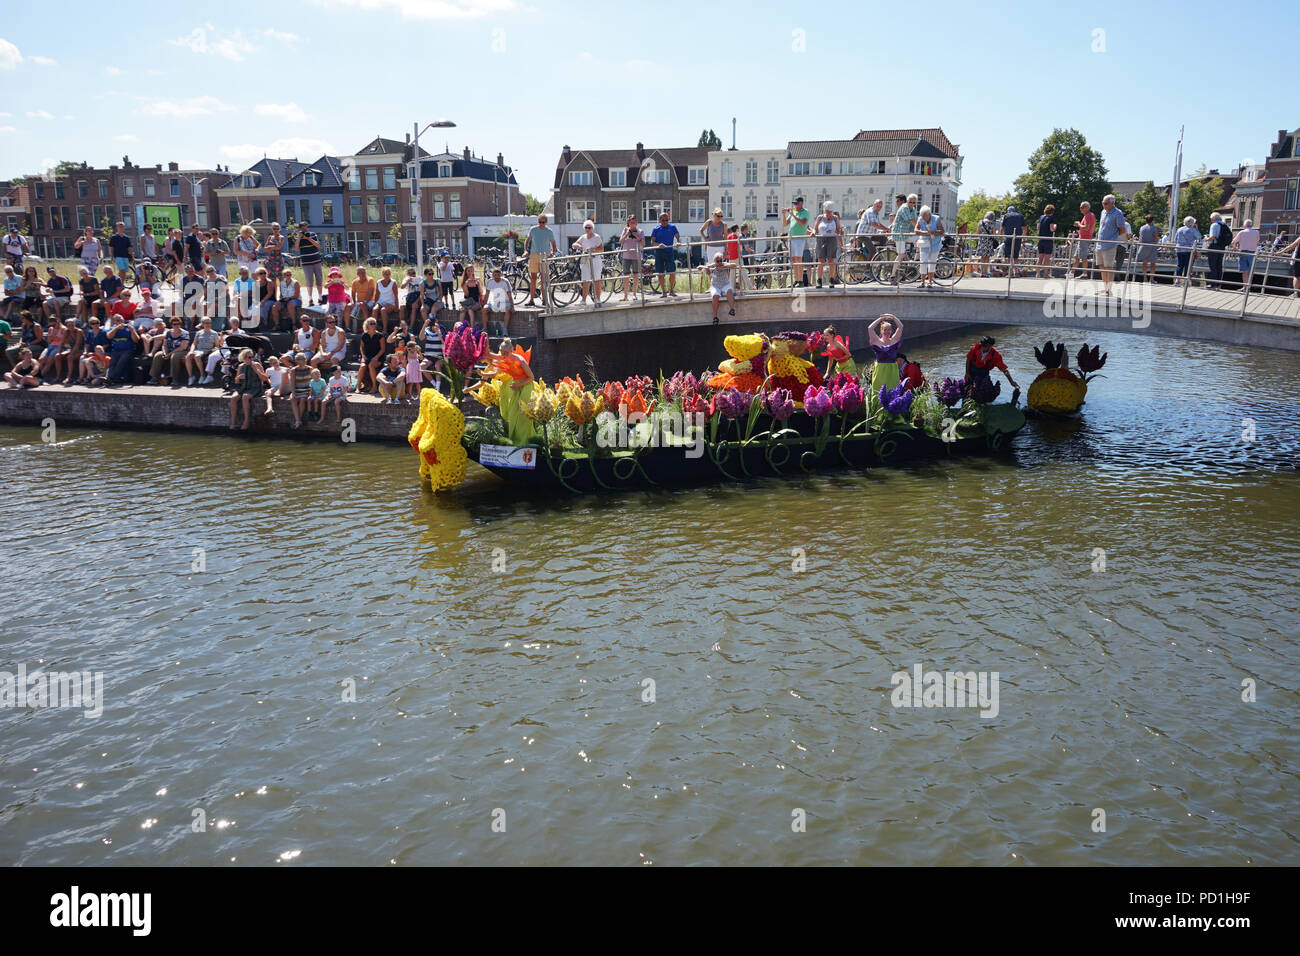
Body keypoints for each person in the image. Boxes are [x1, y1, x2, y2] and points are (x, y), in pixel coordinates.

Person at [1095, 194, 1129, 295]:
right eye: (1103, 203)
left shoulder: (1118, 213)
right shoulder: (1103, 212)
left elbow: (1122, 230)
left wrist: (1112, 237)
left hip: (1110, 245)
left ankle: (1108, 290)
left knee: (1109, 267)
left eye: (1105, 203)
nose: (1103, 205)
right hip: (1100, 244)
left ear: (1112, 203)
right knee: (1101, 266)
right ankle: (1105, 288)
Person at [229, 348, 270, 430]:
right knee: (233, 398)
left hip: (255, 387)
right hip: (244, 387)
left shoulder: (257, 365)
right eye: (249, 357)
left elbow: (265, 379)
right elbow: (236, 382)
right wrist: (238, 378)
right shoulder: (241, 366)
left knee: (245, 397)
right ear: (244, 358)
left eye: (252, 357)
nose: (251, 359)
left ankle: (246, 421)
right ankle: (233, 422)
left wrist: (257, 371)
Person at [868, 313, 904, 399]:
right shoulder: (876, 341)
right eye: (885, 329)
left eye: (889, 330)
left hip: (892, 371)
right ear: (881, 331)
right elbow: (870, 328)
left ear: (891, 331)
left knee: (893, 391)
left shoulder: (894, 340)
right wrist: (881, 319)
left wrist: (893, 317)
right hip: (880, 370)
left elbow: (901, 327)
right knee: (878, 391)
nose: (887, 332)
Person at [524, 213, 557, 305]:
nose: (541, 224)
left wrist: (552, 254)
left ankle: (544, 299)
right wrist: (526, 251)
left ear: (546, 222)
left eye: (543, 222)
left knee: (543, 279)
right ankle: (531, 300)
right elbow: (527, 241)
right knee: (533, 278)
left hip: (545, 255)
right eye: (539, 222)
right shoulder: (533, 230)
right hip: (534, 255)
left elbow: (553, 244)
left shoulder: (549, 231)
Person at [148, 317, 191, 387]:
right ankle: (154, 377)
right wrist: (165, 353)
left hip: (183, 351)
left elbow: (183, 347)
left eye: (178, 324)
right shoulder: (168, 332)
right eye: (174, 324)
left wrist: (169, 354)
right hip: (169, 351)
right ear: (171, 325)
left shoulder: (185, 333)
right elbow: (164, 345)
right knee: (158, 355)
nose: (177, 325)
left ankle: (174, 379)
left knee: (174, 356)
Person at [571, 220, 604, 307]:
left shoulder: (597, 237)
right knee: (585, 280)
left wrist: (592, 250)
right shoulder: (583, 237)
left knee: (597, 280)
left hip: (595, 260)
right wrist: (577, 245)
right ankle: (583, 300)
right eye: (586, 227)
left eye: (589, 227)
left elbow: (601, 249)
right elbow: (574, 244)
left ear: (592, 228)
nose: (587, 229)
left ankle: (598, 299)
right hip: (585, 260)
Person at [782, 196, 811, 288]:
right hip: (792, 238)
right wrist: (784, 214)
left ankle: (801, 280)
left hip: (799, 238)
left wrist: (793, 214)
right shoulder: (793, 211)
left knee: (799, 259)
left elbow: (803, 223)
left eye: (797, 203)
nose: (795, 205)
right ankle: (796, 280)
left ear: (801, 203)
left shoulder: (805, 212)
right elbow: (785, 224)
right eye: (794, 203)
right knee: (794, 260)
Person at [105, 311, 140, 385]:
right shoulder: (113, 328)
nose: (120, 322)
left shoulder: (130, 328)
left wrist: (132, 331)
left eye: (121, 320)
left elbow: (136, 340)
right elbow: (109, 336)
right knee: (112, 363)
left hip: (128, 350)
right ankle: (111, 378)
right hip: (116, 350)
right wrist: (116, 328)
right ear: (114, 322)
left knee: (121, 361)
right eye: (118, 320)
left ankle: (113, 378)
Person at [913, 206, 944, 288]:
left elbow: (942, 231)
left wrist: (934, 232)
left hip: (935, 243)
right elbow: (916, 230)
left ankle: (930, 282)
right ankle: (922, 282)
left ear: (929, 214)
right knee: (923, 262)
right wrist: (923, 232)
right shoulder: (920, 219)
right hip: (924, 243)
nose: (923, 218)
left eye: (924, 216)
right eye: (922, 216)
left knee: (932, 263)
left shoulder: (936, 219)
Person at [650, 212, 679, 297]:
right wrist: (658, 245)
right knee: (660, 273)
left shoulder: (672, 227)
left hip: (669, 252)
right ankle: (663, 292)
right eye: (663, 220)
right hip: (659, 253)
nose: (665, 222)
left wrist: (678, 242)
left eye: (667, 220)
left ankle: (671, 290)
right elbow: (652, 242)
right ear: (659, 220)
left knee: (672, 272)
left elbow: (678, 237)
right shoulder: (656, 229)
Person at [186, 316, 222, 386]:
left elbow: (217, 346)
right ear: (202, 324)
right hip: (198, 350)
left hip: (207, 351)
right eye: (206, 323)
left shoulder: (214, 333)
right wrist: (191, 351)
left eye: (209, 323)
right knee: (188, 356)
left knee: (197, 356)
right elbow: (194, 343)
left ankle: (202, 375)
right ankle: (191, 377)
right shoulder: (198, 333)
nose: (208, 324)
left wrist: (209, 351)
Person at [701, 252, 735, 324]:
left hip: (725, 284)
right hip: (715, 286)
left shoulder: (725, 264)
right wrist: (706, 267)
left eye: (720, 260)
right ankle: (715, 317)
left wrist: (724, 267)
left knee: (729, 290)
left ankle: (732, 309)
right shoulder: (712, 266)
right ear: (715, 261)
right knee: (716, 296)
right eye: (718, 261)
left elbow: (734, 265)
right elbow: (699, 268)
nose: (719, 262)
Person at [813, 201, 841, 288]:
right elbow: (815, 229)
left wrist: (839, 232)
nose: (829, 213)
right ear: (824, 210)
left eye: (830, 211)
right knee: (821, 260)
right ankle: (819, 280)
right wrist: (813, 233)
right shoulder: (820, 217)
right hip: (821, 239)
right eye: (827, 211)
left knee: (831, 260)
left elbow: (838, 229)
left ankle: (831, 280)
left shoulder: (835, 218)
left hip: (832, 239)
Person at [295, 221, 323, 304]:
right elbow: (296, 249)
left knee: (319, 279)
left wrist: (308, 238)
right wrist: (299, 238)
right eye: (303, 228)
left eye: (306, 227)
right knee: (309, 281)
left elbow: (318, 246)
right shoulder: (298, 237)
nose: (305, 229)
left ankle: (320, 297)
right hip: (306, 262)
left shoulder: (313, 234)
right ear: (300, 229)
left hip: (316, 260)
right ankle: (310, 299)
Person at [419, 308, 445, 393]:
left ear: (437, 320)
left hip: (439, 356)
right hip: (429, 355)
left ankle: (438, 387)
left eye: (434, 320)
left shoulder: (441, 329)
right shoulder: (427, 329)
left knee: (438, 366)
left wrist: (438, 333)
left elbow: (445, 343)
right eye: (431, 321)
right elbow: (421, 338)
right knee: (422, 366)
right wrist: (424, 325)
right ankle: (433, 384)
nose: (433, 322)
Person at [357, 316, 385, 393]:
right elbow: (361, 347)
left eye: (374, 323)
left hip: (378, 357)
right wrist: (363, 356)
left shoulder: (380, 335)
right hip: (367, 356)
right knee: (362, 366)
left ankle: (374, 387)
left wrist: (376, 357)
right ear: (367, 325)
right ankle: (358, 386)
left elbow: (383, 349)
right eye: (371, 323)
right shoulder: (364, 335)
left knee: (371, 365)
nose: (373, 325)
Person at [618, 215, 644, 300]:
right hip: (626, 256)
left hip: (636, 256)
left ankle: (634, 294)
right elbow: (621, 241)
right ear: (628, 223)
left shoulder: (640, 231)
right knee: (626, 276)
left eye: (634, 222)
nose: (632, 224)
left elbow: (643, 244)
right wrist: (626, 235)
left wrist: (637, 236)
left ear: (636, 223)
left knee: (636, 275)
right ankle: (625, 296)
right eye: (631, 222)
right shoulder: (625, 230)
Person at [1231, 219, 1260, 293]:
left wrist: (1236, 249)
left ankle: (1245, 287)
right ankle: (1249, 286)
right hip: (1252, 253)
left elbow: (1233, 242)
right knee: (1251, 271)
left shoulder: (1242, 232)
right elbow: (1258, 243)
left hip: (1243, 252)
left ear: (1245, 225)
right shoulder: (1256, 232)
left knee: (1245, 271)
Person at [1173, 216, 1201, 287]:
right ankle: (1185, 281)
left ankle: (1177, 280)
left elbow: (1175, 239)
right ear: (1192, 223)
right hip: (1188, 250)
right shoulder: (1192, 230)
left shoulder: (1179, 229)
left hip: (1179, 249)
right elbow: (1199, 237)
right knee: (1187, 265)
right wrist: (1197, 229)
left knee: (1180, 265)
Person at [1205, 212, 1231, 290]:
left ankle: (1213, 284)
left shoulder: (1214, 225)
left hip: (1214, 246)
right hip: (1222, 247)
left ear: (1213, 218)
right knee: (1219, 266)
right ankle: (1218, 284)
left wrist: (1206, 238)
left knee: (1213, 266)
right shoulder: (1225, 225)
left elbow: (1213, 237)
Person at [1071, 201, 1095, 279]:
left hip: (1084, 239)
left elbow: (1086, 227)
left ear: (1087, 208)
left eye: (1082, 207)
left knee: (1083, 257)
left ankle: (1084, 274)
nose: (1080, 209)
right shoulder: (1089, 215)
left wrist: (1078, 224)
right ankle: (1071, 273)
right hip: (1083, 238)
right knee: (1076, 257)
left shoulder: (1088, 215)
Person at [288, 351, 313, 426]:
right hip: (297, 389)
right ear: (297, 361)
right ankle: (298, 420)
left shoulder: (310, 369)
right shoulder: (293, 370)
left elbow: (312, 382)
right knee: (292, 399)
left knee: (302, 399)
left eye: (305, 358)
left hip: (307, 389)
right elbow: (292, 383)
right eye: (302, 359)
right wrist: (293, 392)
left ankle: (298, 419)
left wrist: (310, 392)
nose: (305, 360)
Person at [484, 266, 513, 332]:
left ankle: (505, 329)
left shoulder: (505, 281)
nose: (496, 277)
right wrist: (484, 304)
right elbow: (487, 294)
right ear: (492, 275)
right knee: (484, 309)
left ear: (501, 275)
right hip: (494, 302)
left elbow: (510, 295)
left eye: (498, 275)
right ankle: (485, 329)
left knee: (508, 310)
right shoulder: (490, 281)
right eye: (495, 275)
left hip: (505, 301)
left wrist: (512, 307)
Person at [349, 266, 377, 331]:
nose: (363, 274)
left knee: (363, 306)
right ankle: (348, 328)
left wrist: (364, 302)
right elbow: (353, 293)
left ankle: (367, 328)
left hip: (370, 301)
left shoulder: (370, 280)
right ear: (357, 274)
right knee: (348, 307)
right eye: (361, 272)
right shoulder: (355, 282)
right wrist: (354, 302)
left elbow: (371, 294)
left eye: (364, 272)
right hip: (359, 301)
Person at [1000, 205, 1026, 276]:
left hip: (1008, 237)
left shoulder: (1006, 216)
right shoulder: (1020, 216)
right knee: (1016, 256)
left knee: (1008, 256)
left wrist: (1000, 236)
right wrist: (1023, 237)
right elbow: (1025, 228)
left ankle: (1010, 272)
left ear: (1008, 211)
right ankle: (1016, 272)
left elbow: (1002, 227)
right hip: (1018, 237)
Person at [274, 267, 302, 332]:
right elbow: (281, 294)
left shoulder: (295, 282)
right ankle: (277, 325)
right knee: (275, 307)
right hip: (285, 299)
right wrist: (281, 298)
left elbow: (297, 295)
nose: (289, 276)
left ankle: (293, 324)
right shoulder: (282, 283)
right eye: (287, 275)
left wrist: (289, 298)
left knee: (290, 305)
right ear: (284, 276)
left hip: (295, 299)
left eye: (290, 274)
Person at [374, 266, 400, 334]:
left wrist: (397, 306)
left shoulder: (393, 282)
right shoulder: (378, 282)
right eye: (385, 274)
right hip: (380, 301)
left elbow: (396, 295)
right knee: (374, 310)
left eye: (388, 274)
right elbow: (377, 294)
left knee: (383, 310)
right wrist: (375, 303)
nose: (387, 276)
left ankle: (385, 330)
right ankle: (374, 328)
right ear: (383, 274)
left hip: (390, 302)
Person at [458, 262, 483, 330]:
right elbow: (466, 295)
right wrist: (465, 285)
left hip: (476, 302)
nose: (470, 272)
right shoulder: (464, 281)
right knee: (463, 309)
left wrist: (479, 284)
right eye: (468, 271)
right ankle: (460, 327)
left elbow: (481, 292)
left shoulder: (477, 279)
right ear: (465, 271)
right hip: (467, 301)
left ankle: (472, 328)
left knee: (470, 309)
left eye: (471, 271)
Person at [1136, 213, 1160, 282]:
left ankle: (1145, 279)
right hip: (1152, 246)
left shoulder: (1142, 227)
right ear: (1152, 220)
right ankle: (1151, 279)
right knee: (1152, 263)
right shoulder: (1154, 228)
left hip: (1143, 246)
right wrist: (1157, 240)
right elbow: (1156, 238)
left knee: (1144, 263)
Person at [1036, 204, 1057, 278]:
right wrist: (1055, 226)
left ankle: (1037, 274)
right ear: (1052, 211)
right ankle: (1045, 274)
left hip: (1040, 239)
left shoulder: (1041, 217)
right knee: (1047, 258)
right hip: (1048, 239)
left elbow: (1038, 228)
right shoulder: (1051, 218)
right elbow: (1052, 229)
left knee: (1040, 257)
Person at [975, 210, 998, 276]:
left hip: (982, 240)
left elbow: (977, 233)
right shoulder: (992, 223)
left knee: (982, 257)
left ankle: (982, 272)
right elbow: (994, 234)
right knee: (987, 258)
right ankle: (985, 272)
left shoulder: (980, 222)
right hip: (989, 241)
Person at [1278, 233, 1300, 298]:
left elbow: (1291, 246)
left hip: (1298, 259)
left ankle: (1295, 293)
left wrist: (1281, 252)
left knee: (1296, 277)